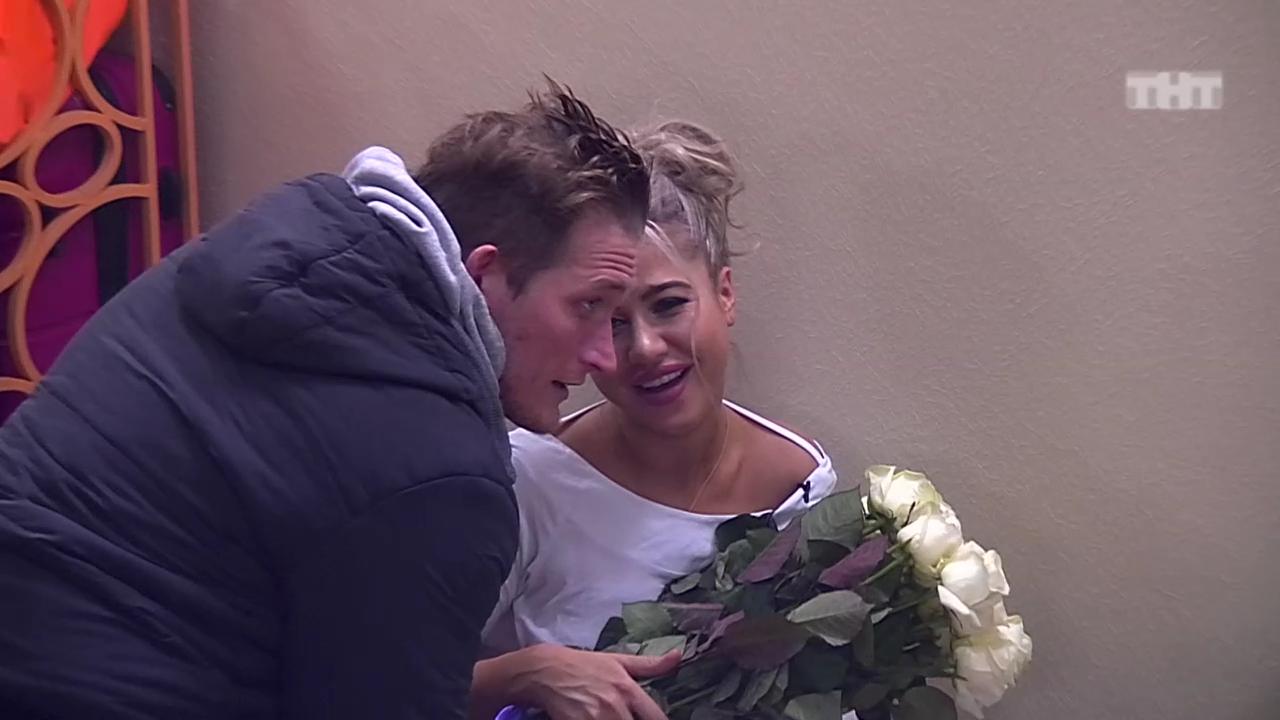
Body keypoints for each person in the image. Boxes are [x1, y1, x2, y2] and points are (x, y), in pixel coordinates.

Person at [0, 82, 648, 720]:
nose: (606, 356)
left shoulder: (279, 250)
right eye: (588, 306)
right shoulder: (439, 476)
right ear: (486, 274)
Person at [467, 121, 841, 720]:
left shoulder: (800, 483)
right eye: (610, 320)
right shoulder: (526, 483)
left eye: (668, 305)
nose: (643, 348)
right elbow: (394, 681)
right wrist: (527, 674)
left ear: (725, 295)